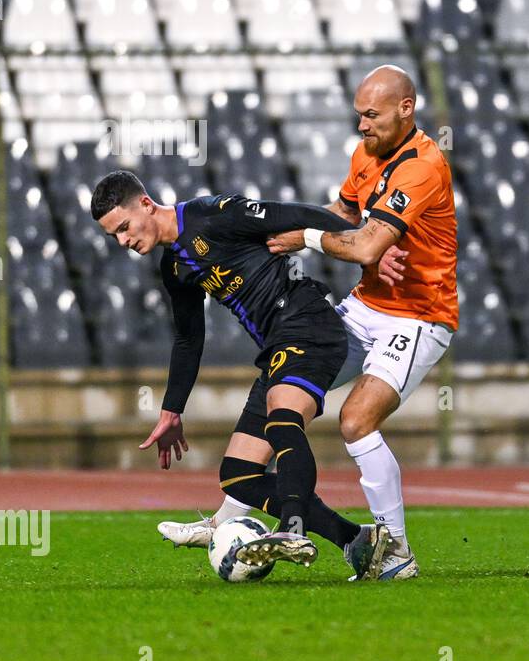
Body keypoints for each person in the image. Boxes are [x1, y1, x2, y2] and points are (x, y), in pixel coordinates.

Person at [91, 170, 387, 579]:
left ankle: (292, 529)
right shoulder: (175, 266)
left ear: (145, 204)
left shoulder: (214, 215)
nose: (124, 241)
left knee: (284, 419)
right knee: (240, 475)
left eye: (123, 228)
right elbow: (188, 340)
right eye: (114, 237)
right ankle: (359, 541)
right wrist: (171, 411)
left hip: (308, 323)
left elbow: (297, 213)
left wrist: (373, 250)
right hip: (277, 347)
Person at [267, 64, 458, 581]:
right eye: (358, 116)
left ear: (406, 109)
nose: (361, 126)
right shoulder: (367, 154)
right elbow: (346, 218)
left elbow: (369, 241)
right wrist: (291, 228)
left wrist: (307, 239)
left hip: (418, 316)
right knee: (285, 390)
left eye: (371, 115)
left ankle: (395, 552)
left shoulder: (422, 165)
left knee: (355, 420)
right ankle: (236, 519)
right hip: (366, 306)